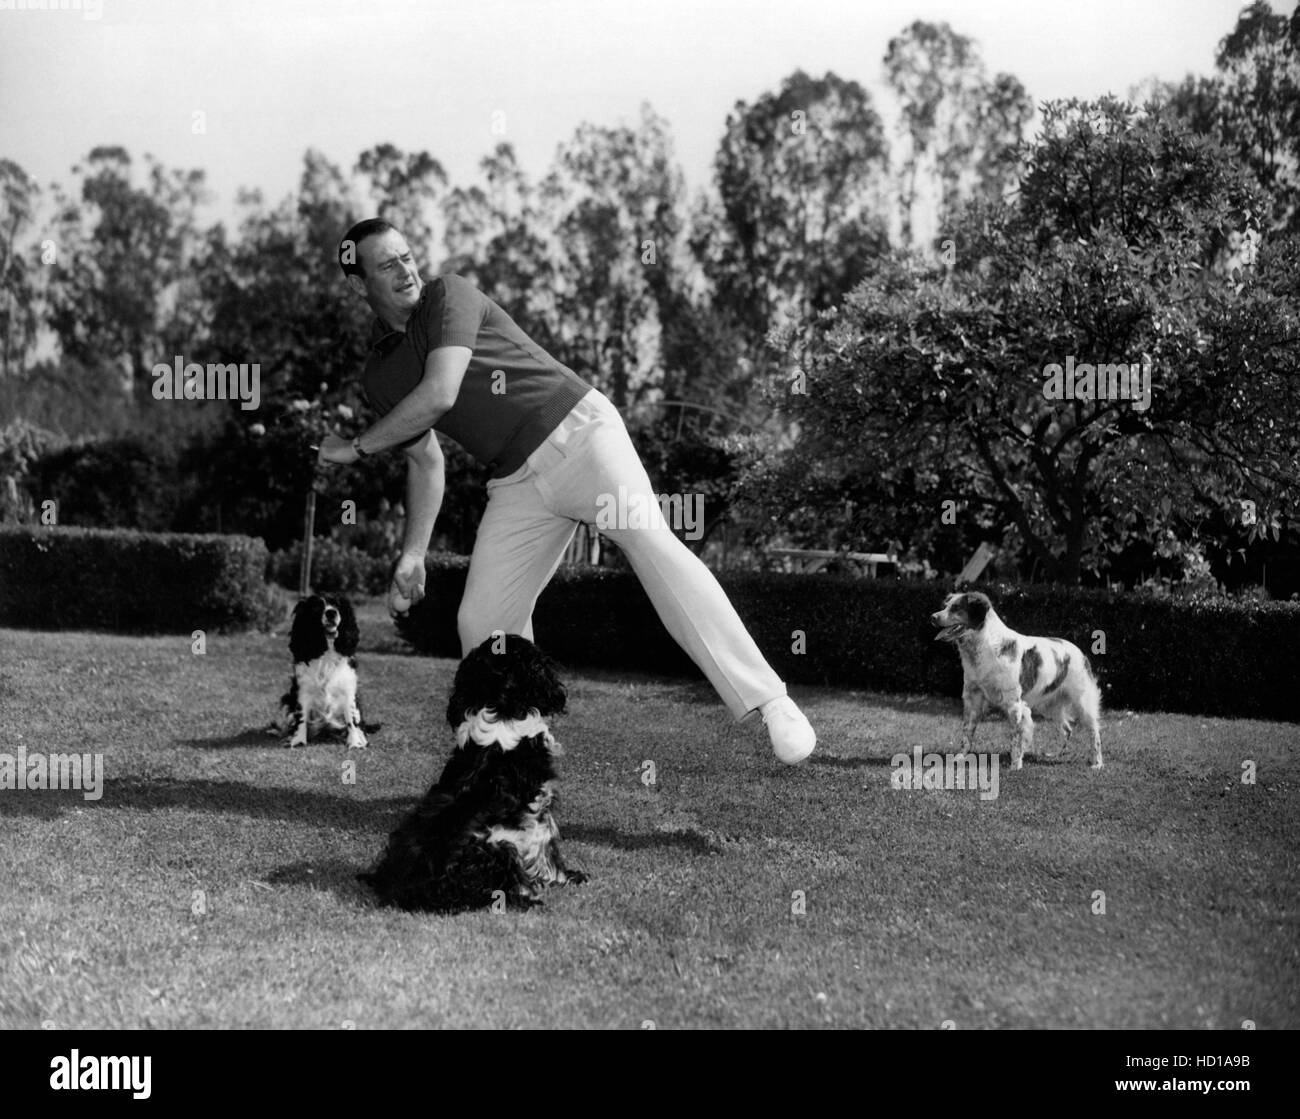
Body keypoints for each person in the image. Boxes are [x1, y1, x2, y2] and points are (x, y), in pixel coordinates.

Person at [317, 218, 816, 764]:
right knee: (482, 623)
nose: (407, 270)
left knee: (649, 542)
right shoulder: (380, 376)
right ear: (357, 283)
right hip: (515, 482)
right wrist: (413, 554)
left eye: (407, 256)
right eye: (387, 265)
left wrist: (354, 446)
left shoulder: (449, 294)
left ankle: (769, 701)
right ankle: (515, 752)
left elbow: (440, 393)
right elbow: (425, 459)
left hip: (579, 432)